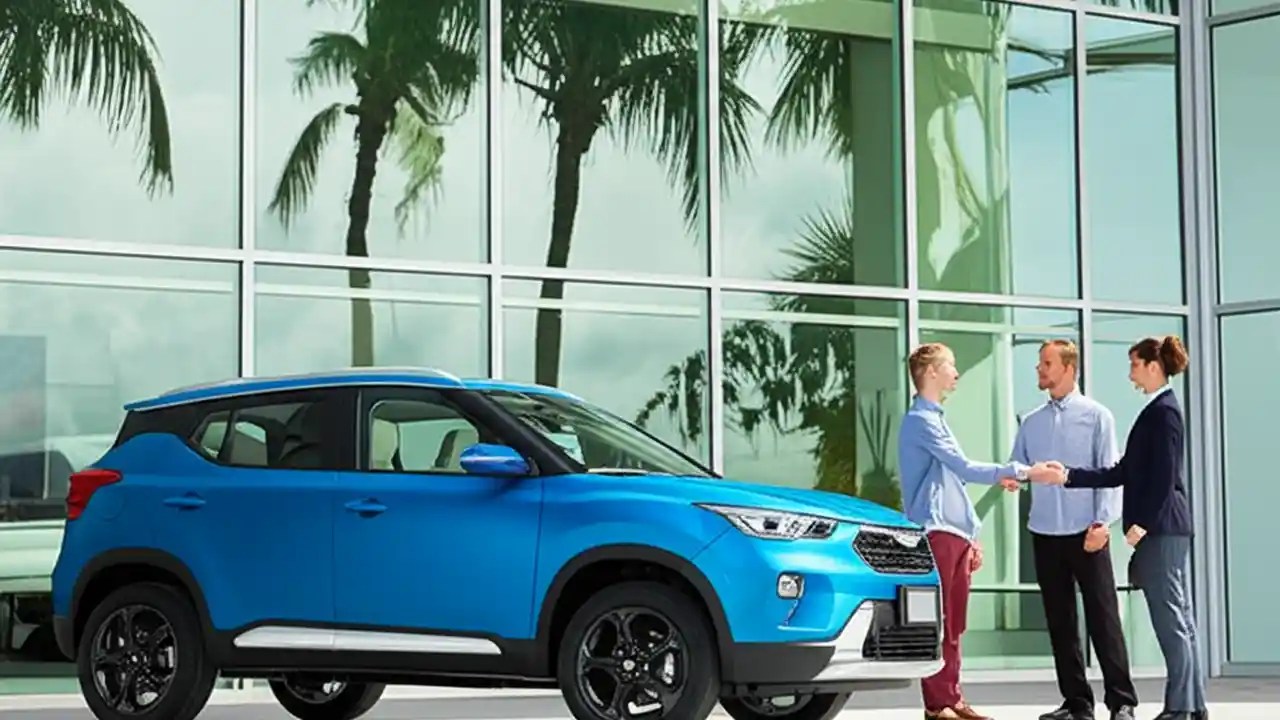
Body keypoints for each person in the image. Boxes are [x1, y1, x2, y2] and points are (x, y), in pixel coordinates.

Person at [1028, 335, 1208, 720]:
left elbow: (1164, 476)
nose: (1130, 375)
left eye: (1134, 366)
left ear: (1153, 367)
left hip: (1164, 529)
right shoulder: (1157, 410)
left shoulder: (1163, 412)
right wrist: (1070, 477)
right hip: (1165, 528)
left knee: (1172, 620)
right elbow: (1124, 472)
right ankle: (1190, 706)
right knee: (1179, 619)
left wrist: (1141, 524)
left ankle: (1182, 709)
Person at [898, 342, 1042, 720]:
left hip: (954, 533)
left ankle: (952, 698)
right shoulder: (921, 421)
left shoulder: (937, 419)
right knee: (943, 620)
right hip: (938, 533)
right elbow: (963, 469)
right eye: (951, 365)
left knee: (955, 622)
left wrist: (971, 533)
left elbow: (951, 484)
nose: (956, 373)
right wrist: (1024, 471)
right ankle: (938, 703)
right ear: (931, 372)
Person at [1011, 339, 1137, 720]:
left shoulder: (1098, 416)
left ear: (1069, 369)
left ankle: (1122, 703)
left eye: (1046, 363)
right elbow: (1016, 466)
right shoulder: (1031, 422)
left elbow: (1112, 475)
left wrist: (1103, 524)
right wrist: (1013, 477)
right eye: (1039, 363)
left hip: (1088, 533)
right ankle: (1077, 704)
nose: (1039, 369)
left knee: (1104, 619)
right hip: (1045, 533)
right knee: (1060, 622)